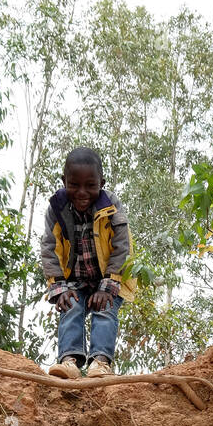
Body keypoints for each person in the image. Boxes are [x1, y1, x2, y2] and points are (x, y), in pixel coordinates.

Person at [41, 147, 136, 379]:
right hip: (75, 279)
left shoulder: (111, 206)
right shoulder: (56, 210)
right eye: (74, 184)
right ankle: (69, 362)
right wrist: (59, 287)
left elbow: (122, 247)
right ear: (64, 181)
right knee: (71, 306)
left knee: (104, 309)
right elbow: (49, 248)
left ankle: (100, 363)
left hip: (108, 278)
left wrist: (108, 285)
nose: (82, 192)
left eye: (90, 185)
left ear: (101, 183)